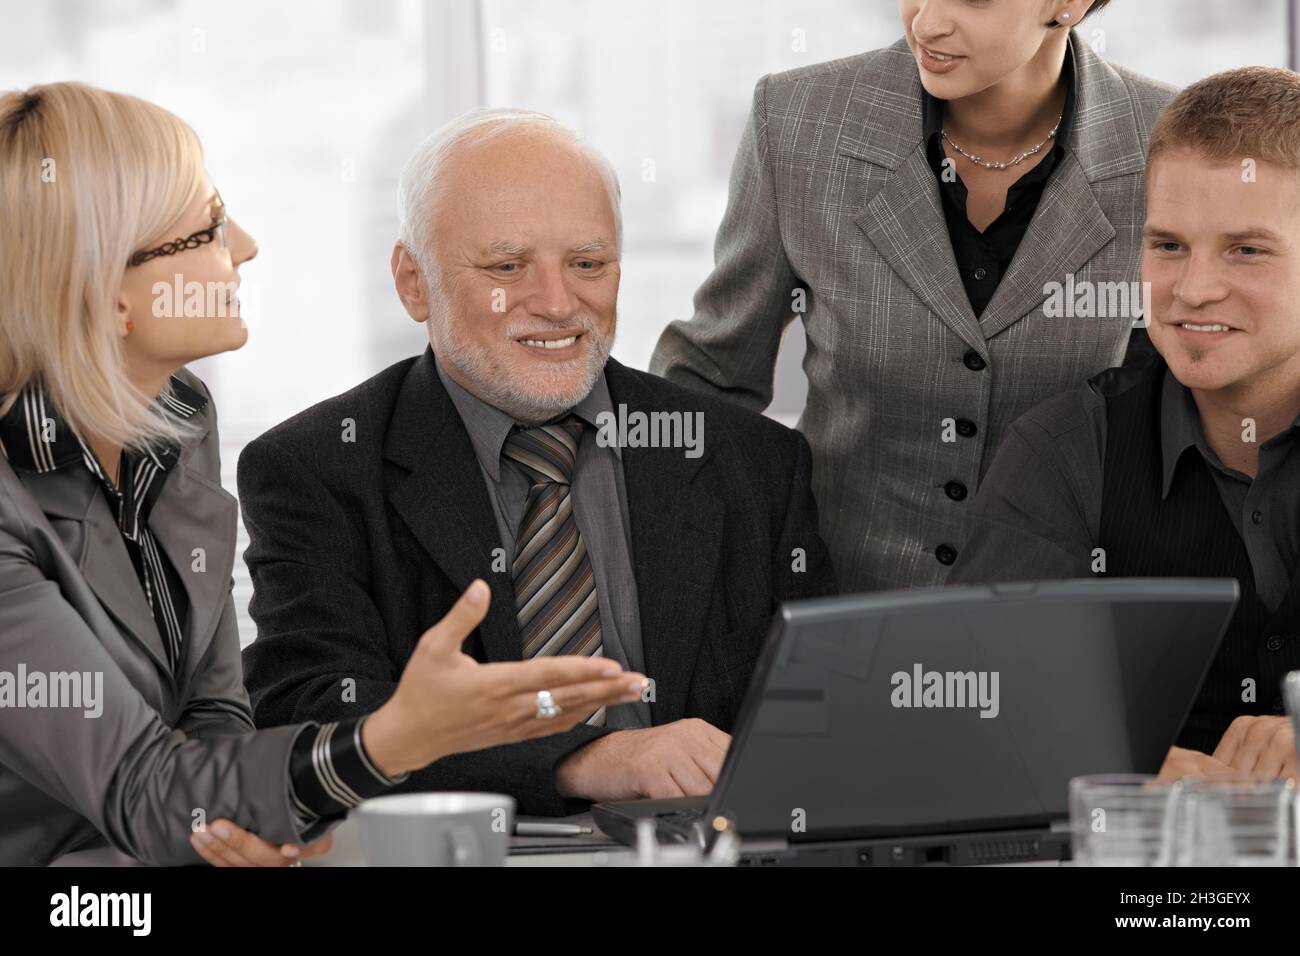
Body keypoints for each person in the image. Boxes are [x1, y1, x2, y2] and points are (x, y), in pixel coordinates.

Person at [0, 83, 643, 867]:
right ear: (105, 291)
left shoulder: (174, 419)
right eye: (205, 228)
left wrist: (249, 835)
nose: (242, 245)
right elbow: (145, 788)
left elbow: (210, 716)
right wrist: (397, 735)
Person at [238, 108, 837, 814]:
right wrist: (584, 758)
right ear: (413, 281)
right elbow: (311, 725)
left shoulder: (754, 461)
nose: (557, 303)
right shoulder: (316, 470)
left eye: (588, 264)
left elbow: (822, 711)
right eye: (506, 266)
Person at [651, 0, 1175, 593]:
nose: (926, 23)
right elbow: (712, 378)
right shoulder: (798, 123)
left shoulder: (1170, 143)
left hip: (1068, 620)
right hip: (836, 609)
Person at [949, 67, 1300, 782]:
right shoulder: (1062, 453)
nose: (1193, 290)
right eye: (1168, 246)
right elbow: (973, 706)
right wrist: (1112, 762)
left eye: (1247, 249)